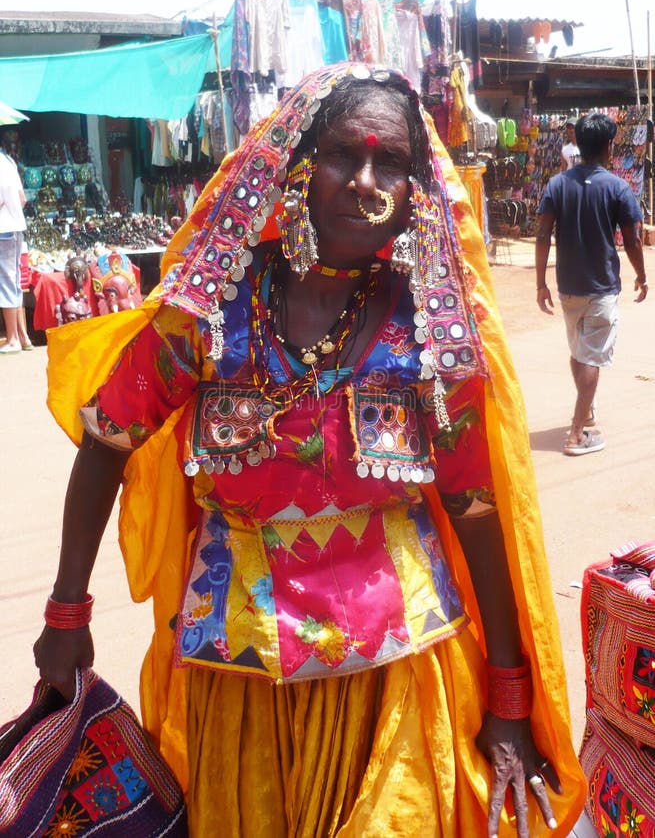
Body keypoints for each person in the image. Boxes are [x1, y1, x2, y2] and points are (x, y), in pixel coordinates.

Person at [34, 64, 586, 837]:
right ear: (294, 166)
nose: (365, 182)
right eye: (341, 156)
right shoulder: (207, 313)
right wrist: (67, 611)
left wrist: (508, 694)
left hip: (397, 672)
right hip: (240, 670)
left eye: (389, 163)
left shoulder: (431, 332)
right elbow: (105, 444)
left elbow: (475, 506)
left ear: (415, 191)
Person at [536, 111, 647, 456]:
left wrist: (540, 283)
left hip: (568, 285)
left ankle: (586, 413)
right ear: (609, 146)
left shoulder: (557, 184)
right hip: (600, 287)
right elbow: (632, 241)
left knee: (580, 352)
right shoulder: (617, 187)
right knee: (591, 357)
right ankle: (576, 433)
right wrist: (642, 276)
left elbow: (542, 235)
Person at [0, 129, 32, 353]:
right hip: (15, 227)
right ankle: (23, 336)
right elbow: (22, 199)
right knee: (13, 279)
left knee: (6, 281)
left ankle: (12, 338)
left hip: (3, 229)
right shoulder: (8, 161)